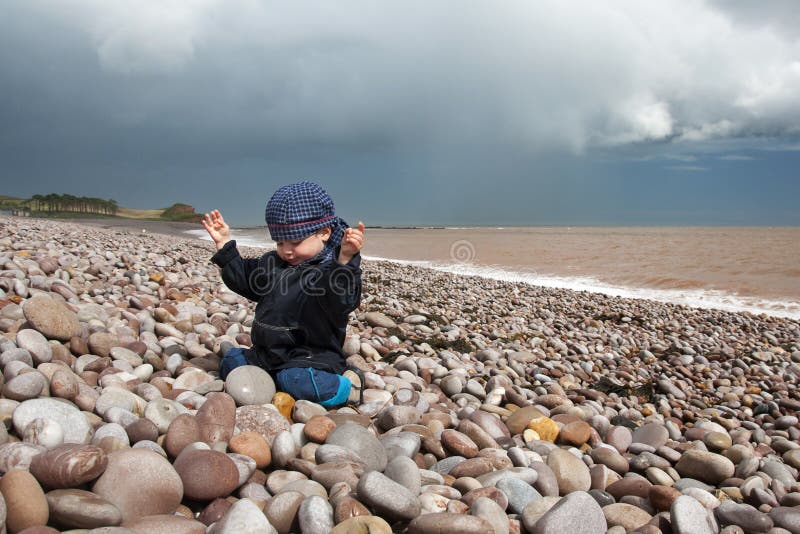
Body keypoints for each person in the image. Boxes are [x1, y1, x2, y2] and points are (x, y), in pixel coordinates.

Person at [202, 181, 365, 407]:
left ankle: (349, 385)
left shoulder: (330, 271)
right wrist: (224, 244)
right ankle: (274, 380)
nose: (287, 250)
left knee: (297, 380)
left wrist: (345, 261)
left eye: (296, 242)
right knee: (232, 360)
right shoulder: (273, 263)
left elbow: (343, 300)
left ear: (324, 233)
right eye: (280, 242)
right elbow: (244, 279)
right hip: (267, 353)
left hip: (310, 356)